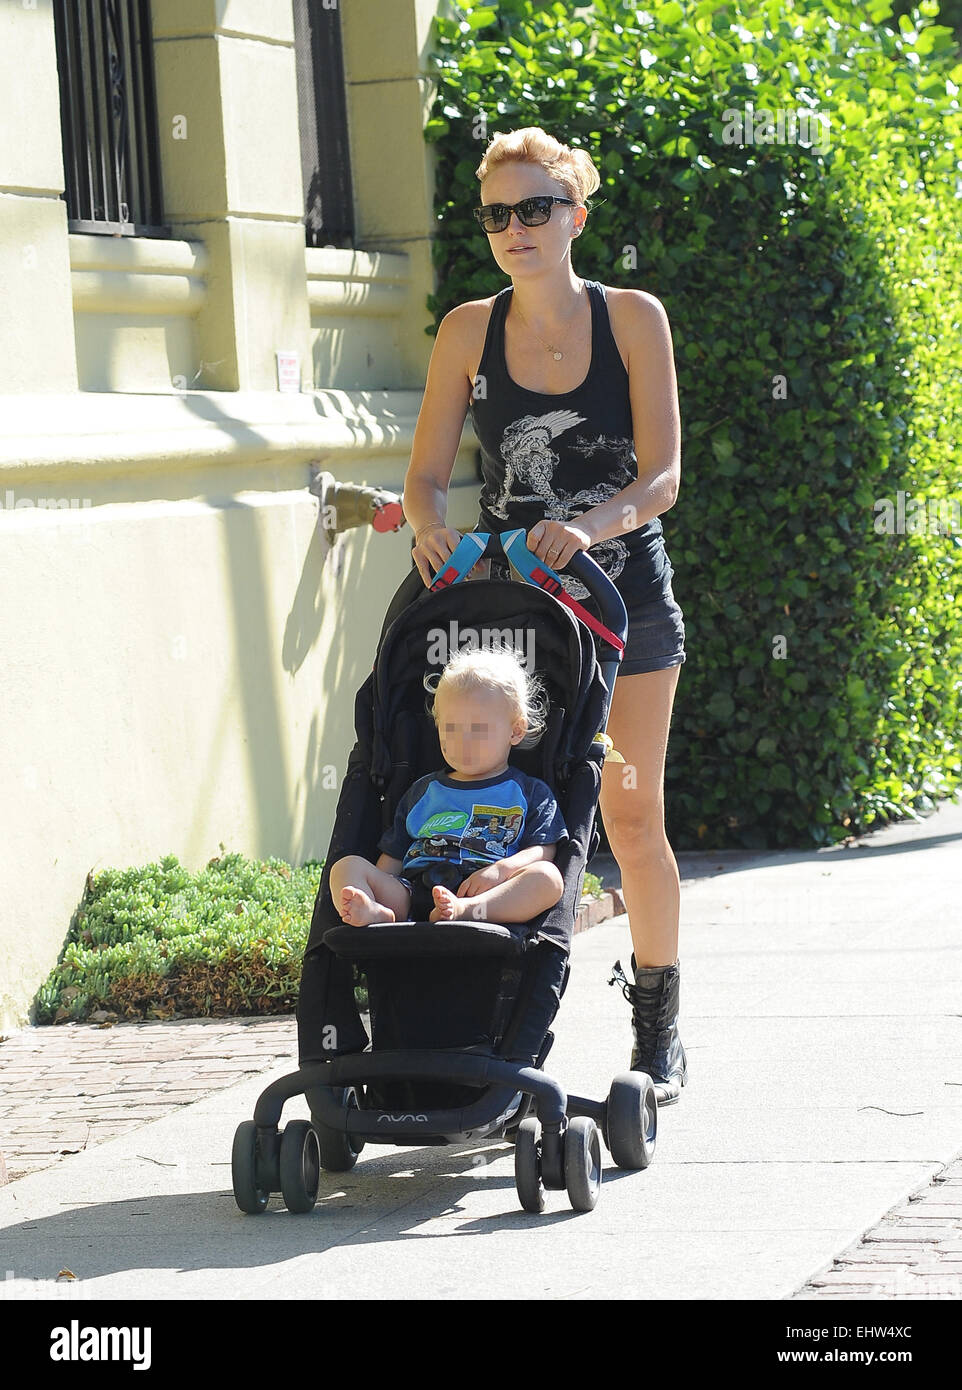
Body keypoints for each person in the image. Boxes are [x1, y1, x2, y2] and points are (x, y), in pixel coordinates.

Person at [401, 126, 688, 1105]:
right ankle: (479, 1023)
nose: (515, 229)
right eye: (496, 215)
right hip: (510, 608)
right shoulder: (466, 330)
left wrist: (591, 523)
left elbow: (662, 476)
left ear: (573, 213)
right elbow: (426, 479)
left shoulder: (631, 318)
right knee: (500, 813)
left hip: (622, 602)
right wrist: (428, 532)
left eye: (534, 208)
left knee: (629, 810)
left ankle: (657, 1025)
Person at [329, 644, 567, 928]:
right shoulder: (422, 791)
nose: (461, 741)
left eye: (477, 729)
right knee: (346, 866)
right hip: (413, 890)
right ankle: (380, 914)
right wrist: (381, 888)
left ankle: (465, 910)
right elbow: (393, 856)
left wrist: (501, 871)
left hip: (487, 889)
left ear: (515, 730)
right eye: (451, 728)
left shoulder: (529, 792)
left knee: (548, 877)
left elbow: (544, 849)